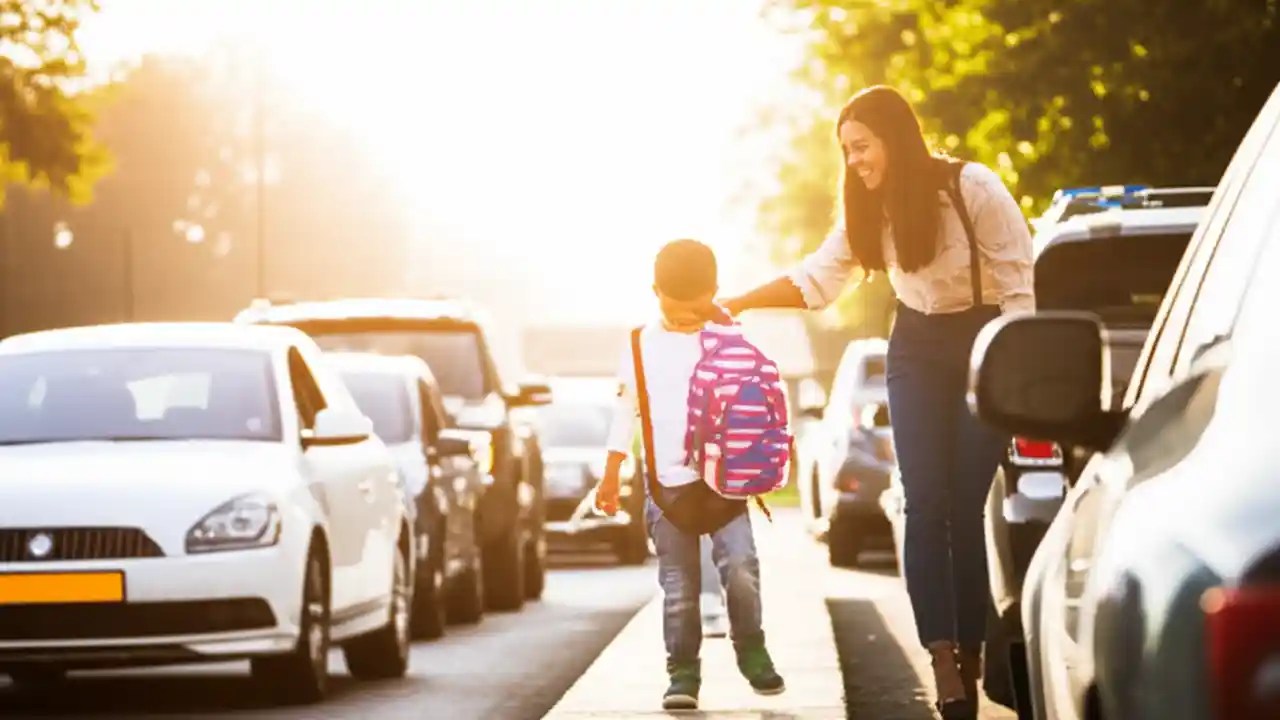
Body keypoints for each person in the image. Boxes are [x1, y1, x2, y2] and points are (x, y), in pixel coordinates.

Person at [721, 85, 1034, 719]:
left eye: (862, 147)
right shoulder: (865, 207)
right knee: (923, 501)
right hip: (915, 346)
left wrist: (1015, 379)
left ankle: (971, 650)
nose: (856, 161)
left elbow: (1019, 287)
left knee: (964, 507)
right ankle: (944, 661)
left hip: (983, 341)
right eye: (847, 151)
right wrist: (737, 301)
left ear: (896, 137)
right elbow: (816, 281)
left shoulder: (972, 188)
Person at [595, 238, 785, 711]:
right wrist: (611, 472)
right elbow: (626, 409)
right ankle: (683, 672)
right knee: (678, 587)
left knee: (741, 566)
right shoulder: (639, 343)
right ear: (654, 290)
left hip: (725, 481)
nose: (684, 321)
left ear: (716, 293)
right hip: (666, 486)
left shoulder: (729, 336)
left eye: (695, 311)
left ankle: (752, 648)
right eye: (675, 310)